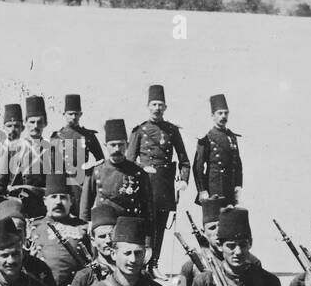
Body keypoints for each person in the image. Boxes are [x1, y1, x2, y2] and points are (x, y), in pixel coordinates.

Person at [126, 85, 190, 260]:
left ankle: (154, 264)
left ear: (165, 108)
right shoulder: (140, 130)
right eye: (153, 104)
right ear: (148, 106)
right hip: (145, 185)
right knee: (146, 225)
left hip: (164, 185)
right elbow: (129, 162)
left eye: (160, 104)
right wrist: (142, 168)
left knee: (161, 225)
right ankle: (144, 265)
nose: (157, 108)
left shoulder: (172, 130)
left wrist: (183, 180)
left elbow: (184, 160)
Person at [79, 118, 151, 228]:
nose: (117, 149)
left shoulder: (138, 172)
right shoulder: (96, 171)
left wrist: (148, 244)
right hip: (103, 228)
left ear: (127, 145)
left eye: (121, 145)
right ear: (105, 145)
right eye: (112, 145)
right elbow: (84, 209)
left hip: (128, 229)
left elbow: (148, 211)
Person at [51, 93, 104, 215]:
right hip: (62, 182)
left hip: (81, 181)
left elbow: (100, 160)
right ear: (64, 114)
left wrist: (90, 174)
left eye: (76, 113)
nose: (73, 117)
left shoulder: (88, 136)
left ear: (81, 114)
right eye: (70, 114)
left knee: (81, 212)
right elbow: (52, 164)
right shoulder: (57, 136)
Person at [191, 93, 242, 212]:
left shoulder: (232, 137)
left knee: (230, 225)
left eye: (226, 113)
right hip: (213, 189)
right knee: (214, 225)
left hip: (230, 189)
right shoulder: (206, 138)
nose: (223, 116)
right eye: (220, 113)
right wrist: (202, 190)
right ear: (212, 115)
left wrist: (238, 186)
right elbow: (197, 166)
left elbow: (238, 164)